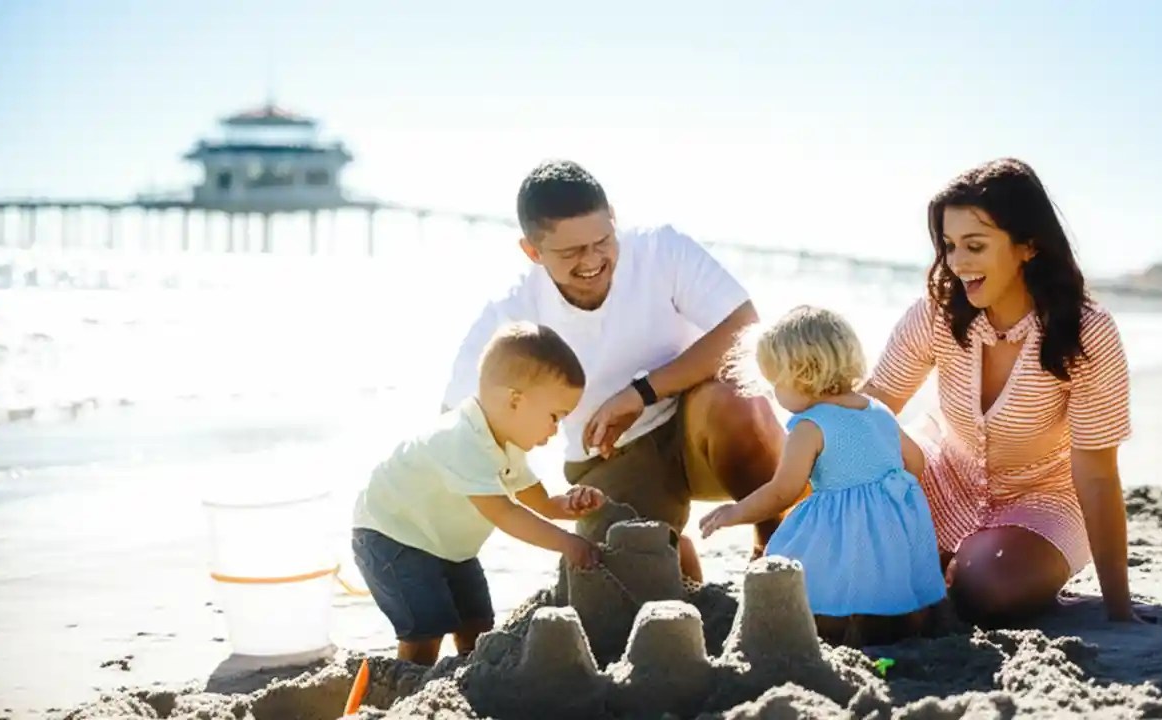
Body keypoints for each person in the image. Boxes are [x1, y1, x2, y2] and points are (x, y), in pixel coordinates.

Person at [442, 159, 785, 581]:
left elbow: (747, 328)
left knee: (739, 397)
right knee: (623, 570)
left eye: (603, 241)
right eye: (571, 252)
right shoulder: (513, 312)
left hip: (698, 423)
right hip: (610, 456)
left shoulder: (662, 250)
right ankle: (672, 549)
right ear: (532, 252)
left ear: (613, 220)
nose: (592, 260)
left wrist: (642, 393)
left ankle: (773, 552)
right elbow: (456, 419)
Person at [862, 157, 1138, 626]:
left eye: (975, 245)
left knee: (987, 589)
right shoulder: (936, 313)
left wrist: (1119, 608)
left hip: (1043, 500)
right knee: (876, 570)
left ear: (1028, 246)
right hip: (944, 475)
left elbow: (1096, 474)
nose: (957, 263)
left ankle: (957, 571)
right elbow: (871, 406)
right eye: (949, 246)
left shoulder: (1087, 333)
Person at [353, 322, 606, 665]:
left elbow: (543, 504)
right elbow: (505, 513)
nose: (556, 429)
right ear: (515, 400)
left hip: (447, 545)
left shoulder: (507, 444)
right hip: (392, 535)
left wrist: (572, 503)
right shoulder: (461, 441)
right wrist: (568, 544)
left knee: (478, 623)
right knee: (426, 627)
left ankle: (467, 679)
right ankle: (405, 685)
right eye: (554, 416)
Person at [698, 305, 946, 645]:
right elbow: (915, 463)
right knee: (886, 594)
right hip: (891, 533)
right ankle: (903, 624)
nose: (773, 395)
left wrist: (734, 513)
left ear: (802, 375)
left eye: (775, 385)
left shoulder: (809, 427)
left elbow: (782, 492)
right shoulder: (878, 411)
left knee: (817, 594)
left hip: (839, 532)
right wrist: (878, 497)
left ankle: (828, 631)